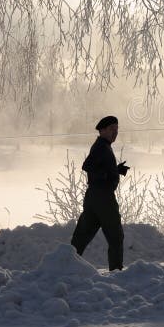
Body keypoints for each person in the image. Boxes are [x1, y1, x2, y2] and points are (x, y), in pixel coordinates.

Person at [70, 115, 130, 271]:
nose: (115, 133)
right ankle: (116, 272)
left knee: (82, 236)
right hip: (103, 197)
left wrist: (115, 170)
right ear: (102, 130)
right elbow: (87, 165)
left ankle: (65, 264)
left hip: (93, 197)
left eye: (116, 130)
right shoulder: (102, 147)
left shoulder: (103, 146)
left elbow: (98, 167)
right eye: (111, 129)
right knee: (116, 236)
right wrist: (106, 175)